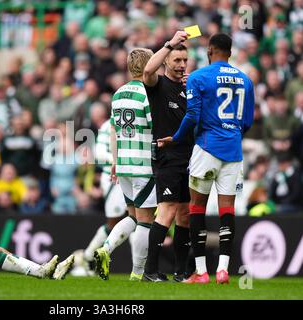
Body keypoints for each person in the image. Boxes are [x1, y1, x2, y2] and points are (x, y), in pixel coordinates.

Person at [159, 33, 255, 284]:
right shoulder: (245, 80)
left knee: (196, 209)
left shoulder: (199, 77)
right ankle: (223, 270)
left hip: (206, 148)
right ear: (230, 53)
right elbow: (247, 122)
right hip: (233, 152)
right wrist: (230, 132)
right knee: (227, 211)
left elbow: (191, 116)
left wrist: (177, 138)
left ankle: (201, 273)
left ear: (210, 50)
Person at [94, 48, 157, 281]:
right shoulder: (148, 93)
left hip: (124, 165)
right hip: (144, 164)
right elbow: (155, 127)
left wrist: (116, 161)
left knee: (132, 216)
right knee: (145, 220)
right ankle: (137, 274)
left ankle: (106, 249)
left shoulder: (119, 93)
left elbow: (113, 128)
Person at [142, 30, 193, 282]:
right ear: (166, 61)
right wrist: (169, 44)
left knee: (185, 213)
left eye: (184, 60)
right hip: (167, 156)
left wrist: (195, 88)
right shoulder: (158, 85)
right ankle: (149, 271)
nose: (181, 65)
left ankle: (181, 272)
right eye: (176, 60)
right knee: (167, 210)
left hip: (191, 157)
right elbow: (147, 72)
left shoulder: (190, 87)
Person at [79, 118, 128, 273]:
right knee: (114, 223)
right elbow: (99, 154)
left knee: (139, 219)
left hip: (135, 176)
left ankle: (141, 267)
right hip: (113, 179)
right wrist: (119, 161)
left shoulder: (138, 119)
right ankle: (88, 257)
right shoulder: (107, 125)